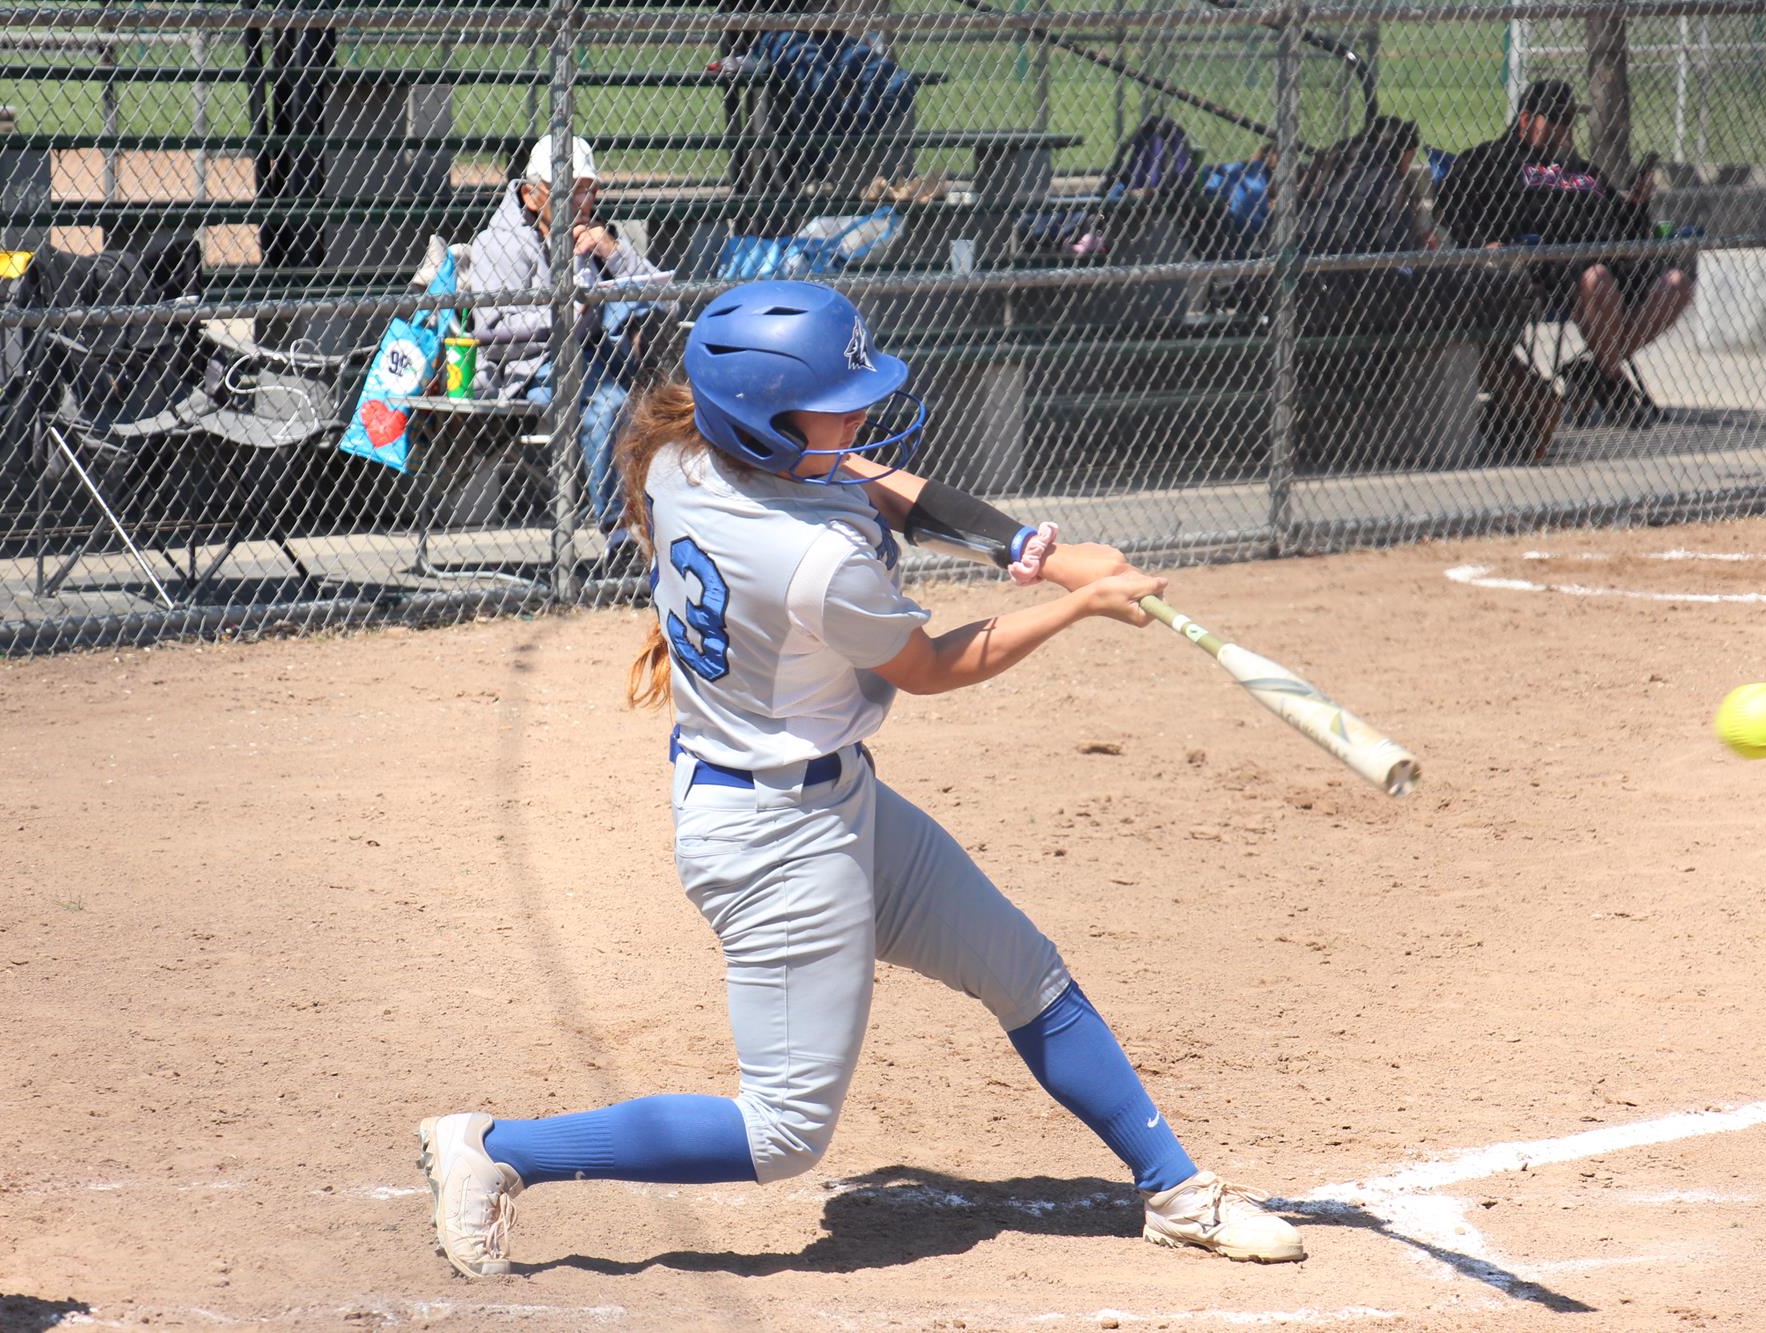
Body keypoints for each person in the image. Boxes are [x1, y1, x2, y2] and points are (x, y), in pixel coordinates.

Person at [416, 279, 1307, 1278]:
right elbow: (931, 668)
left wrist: (1024, 549)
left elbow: (867, 476)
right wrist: (1079, 604)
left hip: (820, 799)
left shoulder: (681, 454)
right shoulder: (813, 559)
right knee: (782, 1135)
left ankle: (1176, 1192)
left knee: (1024, 972)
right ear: (764, 421)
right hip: (771, 844)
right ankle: (495, 1151)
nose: (863, 409)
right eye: (837, 398)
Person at [1435, 78, 1694, 427]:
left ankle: (1599, 370)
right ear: (1526, 120)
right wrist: (1482, 240)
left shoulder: (1583, 170)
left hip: (1616, 264)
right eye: (1556, 119)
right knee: (1596, 279)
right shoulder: (1493, 160)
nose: (1565, 128)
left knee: (1677, 283)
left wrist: (1636, 203)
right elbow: (1449, 201)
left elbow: (1627, 227)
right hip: (1555, 269)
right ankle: (1609, 377)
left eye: (1570, 119)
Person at [466, 135, 666, 567]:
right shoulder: (496, 244)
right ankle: (619, 534)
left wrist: (612, 252)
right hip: (528, 367)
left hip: (595, 359)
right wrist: (567, 313)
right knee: (607, 402)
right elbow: (493, 330)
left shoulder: (588, 238)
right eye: (572, 188)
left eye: (589, 188)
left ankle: (657, 527)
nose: (585, 200)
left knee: (648, 398)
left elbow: (665, 297)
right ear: (530, 194)